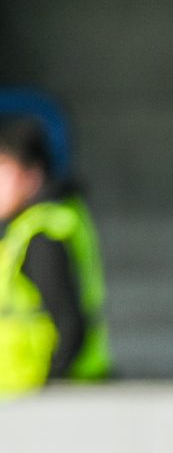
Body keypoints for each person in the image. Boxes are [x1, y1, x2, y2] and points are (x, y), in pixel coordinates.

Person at [0, 116, 109, 397]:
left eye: (3, 173)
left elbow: (69, 326)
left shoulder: (42, 235)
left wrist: (49, 386)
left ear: (32, 175)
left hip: (47, 399)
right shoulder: (32, 226)